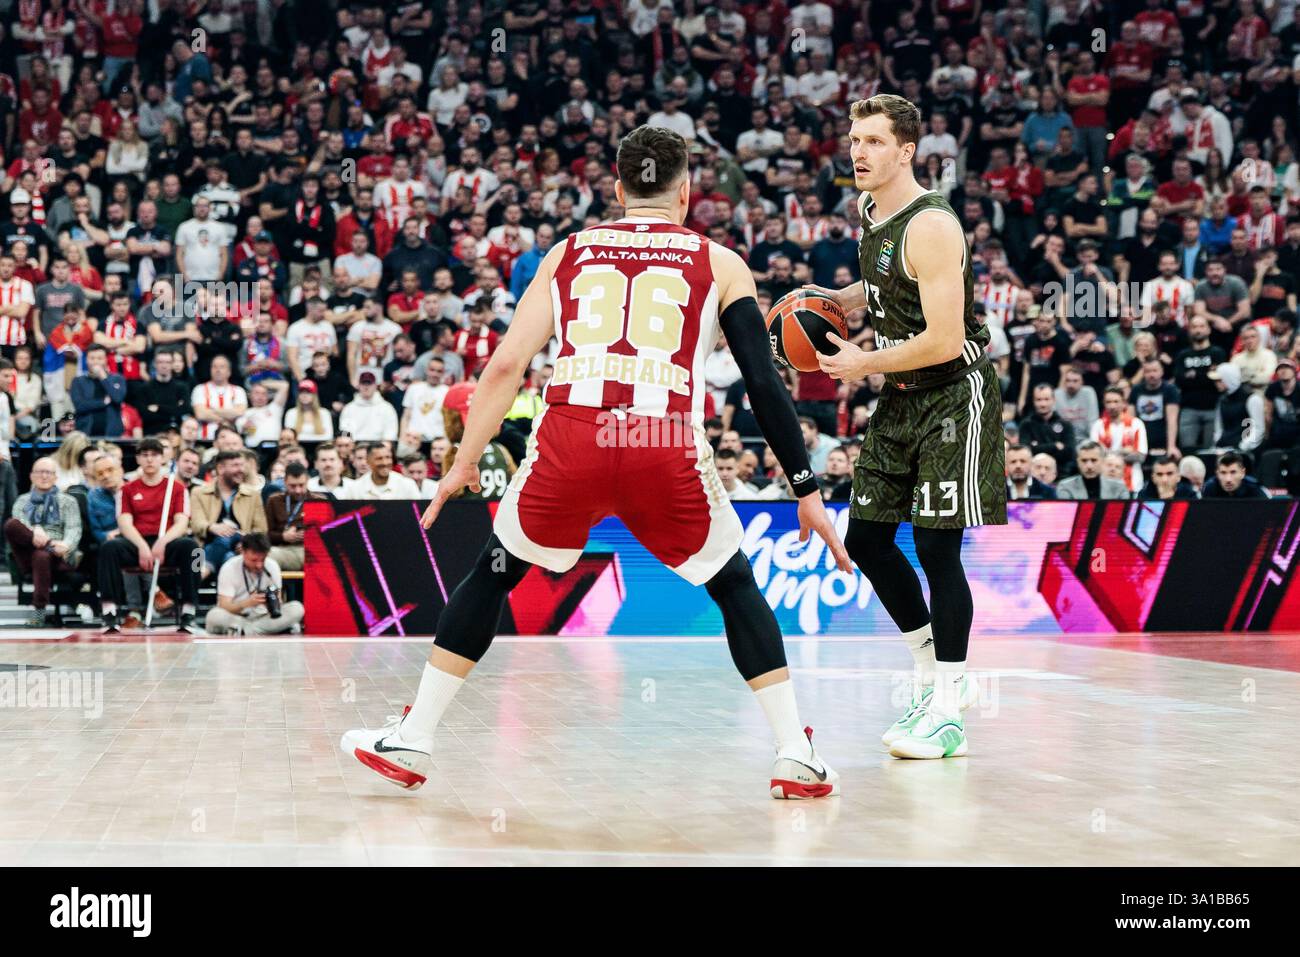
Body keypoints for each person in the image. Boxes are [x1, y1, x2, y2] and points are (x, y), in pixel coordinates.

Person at [342, 125, 849, 796]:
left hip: (574, 437)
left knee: (492, 573)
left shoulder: (568, 252)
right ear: (687, 192)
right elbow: (762, 380)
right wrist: (806, 486)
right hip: (662, 439)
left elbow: (505, 368)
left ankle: (416, 737)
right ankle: (794, 752)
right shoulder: (721, 263)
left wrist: (466, 459)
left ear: (617, 188)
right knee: (732, 586)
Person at [808, 94, 1005, 760]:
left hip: (952, 394)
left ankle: (947, 707)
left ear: (906, 151)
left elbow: (945, 338)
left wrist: (862, 362)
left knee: (936, 546)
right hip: (900, 393)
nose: (856, 151)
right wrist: (841, 301)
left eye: (871, 141)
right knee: (866, 538)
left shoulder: (933, 225)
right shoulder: (870, 211)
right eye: (853, 139)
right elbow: (890, 280)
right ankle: (933, 667)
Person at [97, 437, 203, 633]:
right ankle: (109, 611)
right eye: (144, 455)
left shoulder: (177, 488)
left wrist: (162, 542)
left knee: (194, 550)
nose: (149, 460)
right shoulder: (127, 489)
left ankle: (189, 610)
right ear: (137, 459)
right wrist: (142, 547)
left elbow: (182, 523)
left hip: (167, 542)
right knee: (108, 548)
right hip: (137, 542)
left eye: (154, 455)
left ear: (162, 458)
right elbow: (124, 523)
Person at [4, 458, 82, 626]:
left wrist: (66, 545)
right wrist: (36, 531)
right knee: (11, 525)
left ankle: (39, 612)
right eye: (40, 472)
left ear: (55, 477)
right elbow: (20, 523)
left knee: (41, 555)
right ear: (31, 476)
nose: (44, 476)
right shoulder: (22, 501)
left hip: (58, 553)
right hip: (27, 552)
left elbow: (74, 528)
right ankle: (45, 546)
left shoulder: (68, 501)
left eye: (49, 472)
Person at [205, 532, 305, 635]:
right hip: (236, 616)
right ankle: (262, 630)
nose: (259, 565)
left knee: (297, 608)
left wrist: (271, 604)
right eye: (254, 560)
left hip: (264, 616)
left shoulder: (272, 566)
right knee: (214, 616)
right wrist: (247, 603)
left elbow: (278, 603)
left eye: (263, 559)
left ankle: (246, 631)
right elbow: (225, 605)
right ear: (243, 552)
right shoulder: (229, 567)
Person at [191, 449, 269, 578]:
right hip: (203, 546)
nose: (241, 470)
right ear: (221, 468)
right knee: (228, 556)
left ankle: (201, 574)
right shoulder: (199, 492)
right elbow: (196, 524)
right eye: (235, 466)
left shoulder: (253, 495)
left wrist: (247, 544)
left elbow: (261, 529)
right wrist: (212, 527)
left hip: (242, 546)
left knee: (229, 536)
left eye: (242, 465)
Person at [70, 344, 127, 437]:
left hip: (112, 435)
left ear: (106, 360)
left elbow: (117, 398)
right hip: (85, 434)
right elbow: (80, 406)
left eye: (99, 358)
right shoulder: (78, 381)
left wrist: (103, 377)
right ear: (86, 360)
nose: (95, 362)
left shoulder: (117, 378)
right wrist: (103, 402)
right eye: (92, 358)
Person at [1055, 441, 1131, 500]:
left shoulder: (1119, 487)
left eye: (1094, 460)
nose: (1089, 466)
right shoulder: (1066, 486)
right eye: (1084, 461)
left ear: (1102, 461)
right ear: (1078, 462)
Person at [347, 442, 420, 499]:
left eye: (388, 457)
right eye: (379, 458)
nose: (385, 463)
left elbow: (419, 514)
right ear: (368, 461)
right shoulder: (355, 489)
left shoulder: (408, 485)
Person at [1201, 450, 1268, 498]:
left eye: (1233, 472)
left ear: (1242, 473)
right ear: (1217, 474)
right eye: (1223, 473)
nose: (1228, 479)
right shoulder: (1209, 489)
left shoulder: (1255, 491)